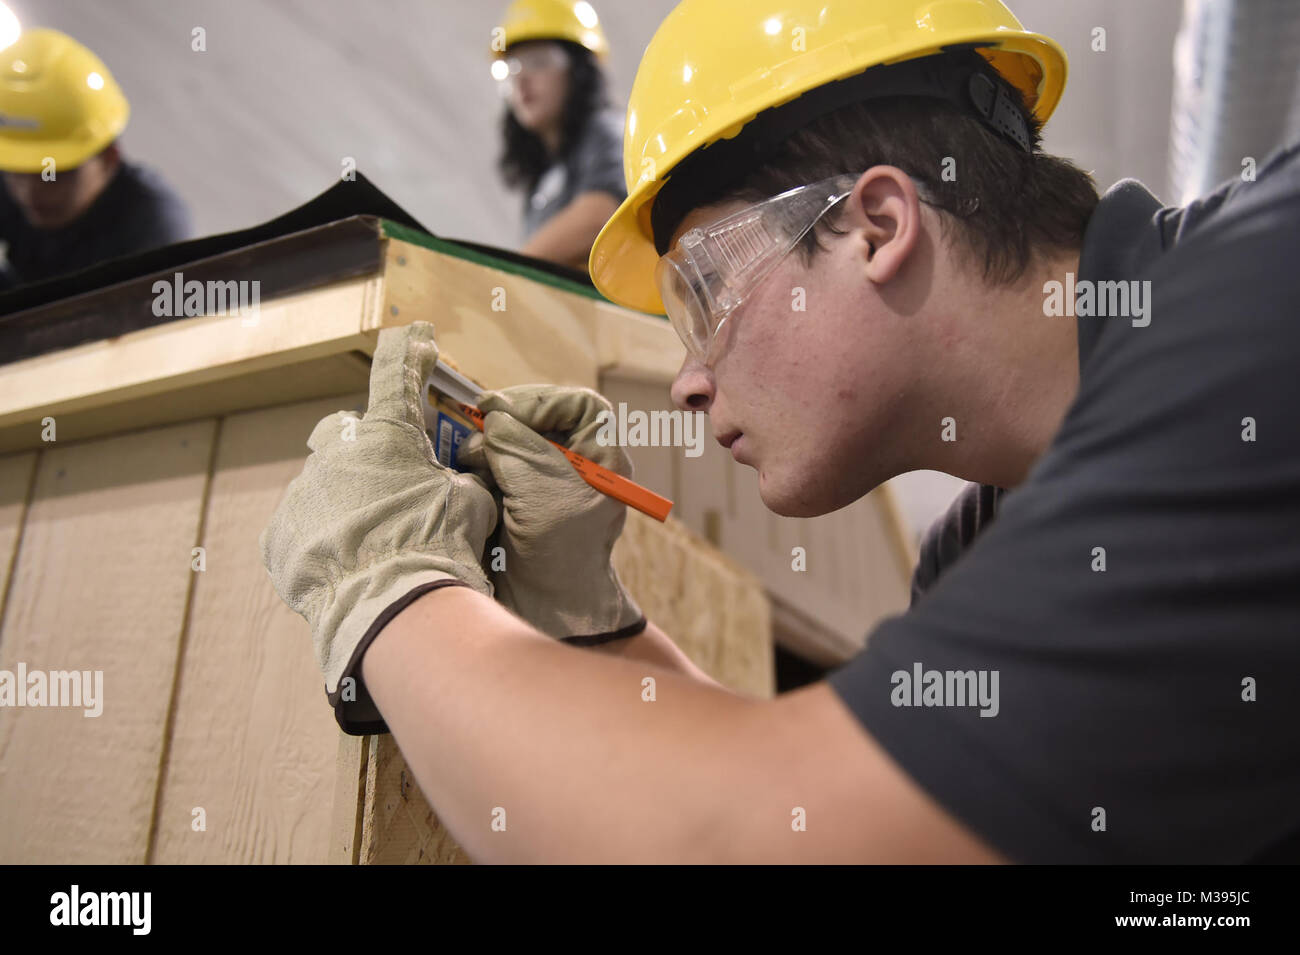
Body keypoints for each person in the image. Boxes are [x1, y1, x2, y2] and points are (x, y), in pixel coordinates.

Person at [261, 0, 1300, 863]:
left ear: (875, 226)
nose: (687, 381)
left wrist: (388, 590)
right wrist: (594, 625)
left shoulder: (1266, 289)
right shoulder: (976, 549)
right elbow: (850, 802)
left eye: (704, 295)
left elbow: (748, 840)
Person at [0, 28, 191, 290]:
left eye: (55, 174)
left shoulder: (151, 226)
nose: (32, 192)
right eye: (18, 171)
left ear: (109, 157)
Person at [492, 0, 624, 271]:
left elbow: (599, 216)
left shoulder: (604, 131)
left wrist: (507, 271)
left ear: (577, 70)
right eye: (512, 68)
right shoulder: (541, 180)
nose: (521, 79)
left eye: (537, 61)